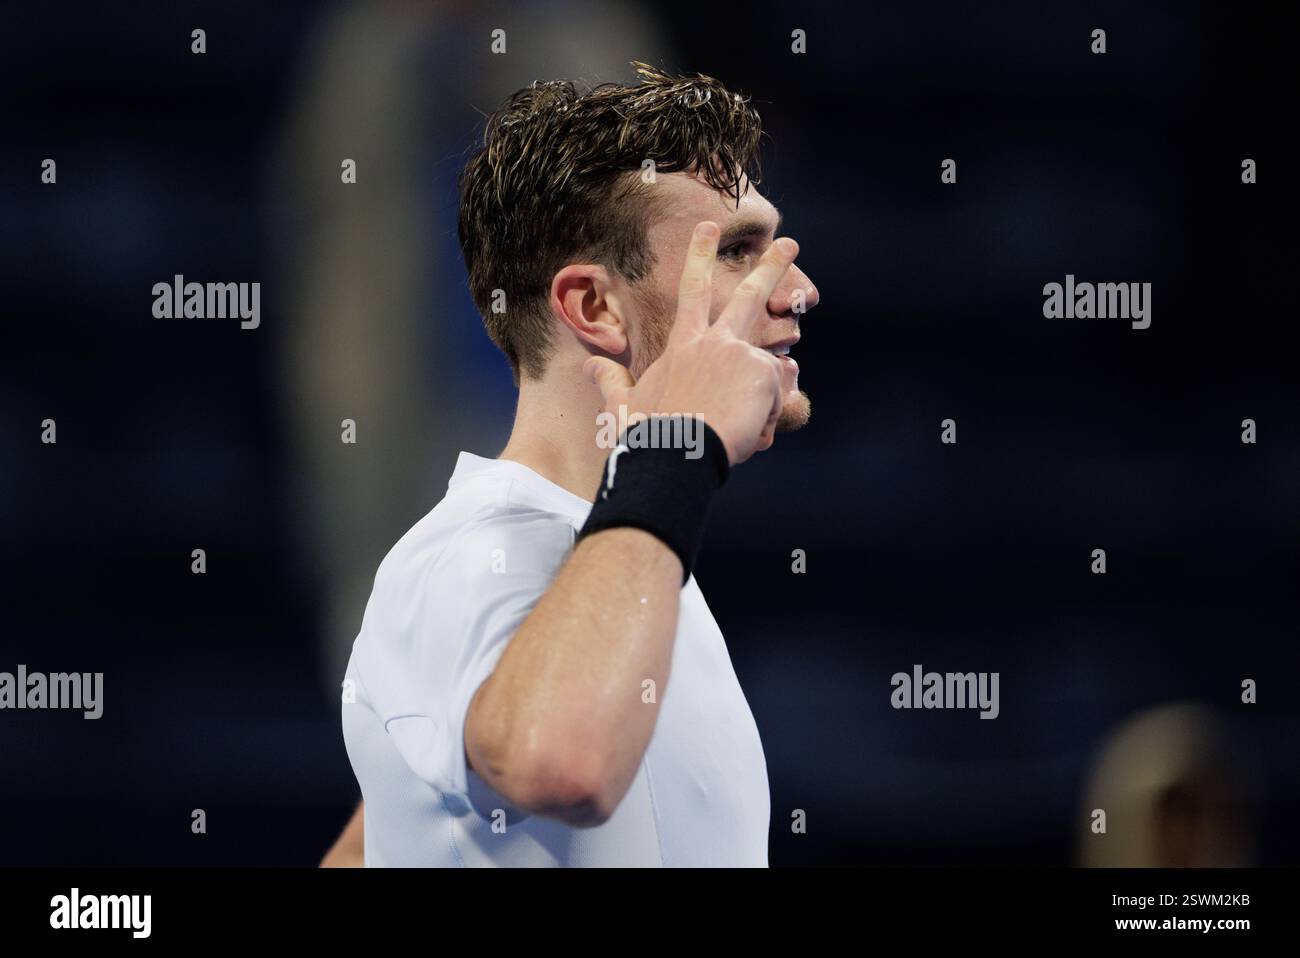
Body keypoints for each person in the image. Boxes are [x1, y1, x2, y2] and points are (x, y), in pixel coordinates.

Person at [324, 62, 819, 866]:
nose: (798, 290)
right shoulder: (473, 554)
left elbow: (374, 839)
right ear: (594, 306)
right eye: (737, 251)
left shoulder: (619, 554)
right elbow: (563, 766)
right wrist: (675, 449)